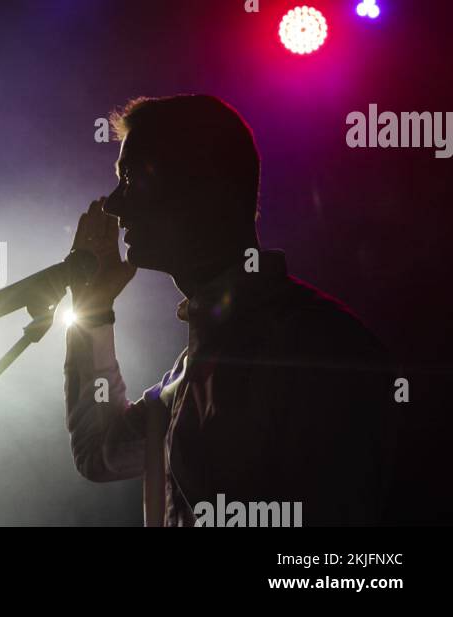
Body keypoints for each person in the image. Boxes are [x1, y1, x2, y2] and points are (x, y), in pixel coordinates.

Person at [65, 95, 391, 526]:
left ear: (202, 187)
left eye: (132, 179)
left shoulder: (318, 347)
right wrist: (92, 309)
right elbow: (100, 452)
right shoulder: (185, 379)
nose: (113, 204)